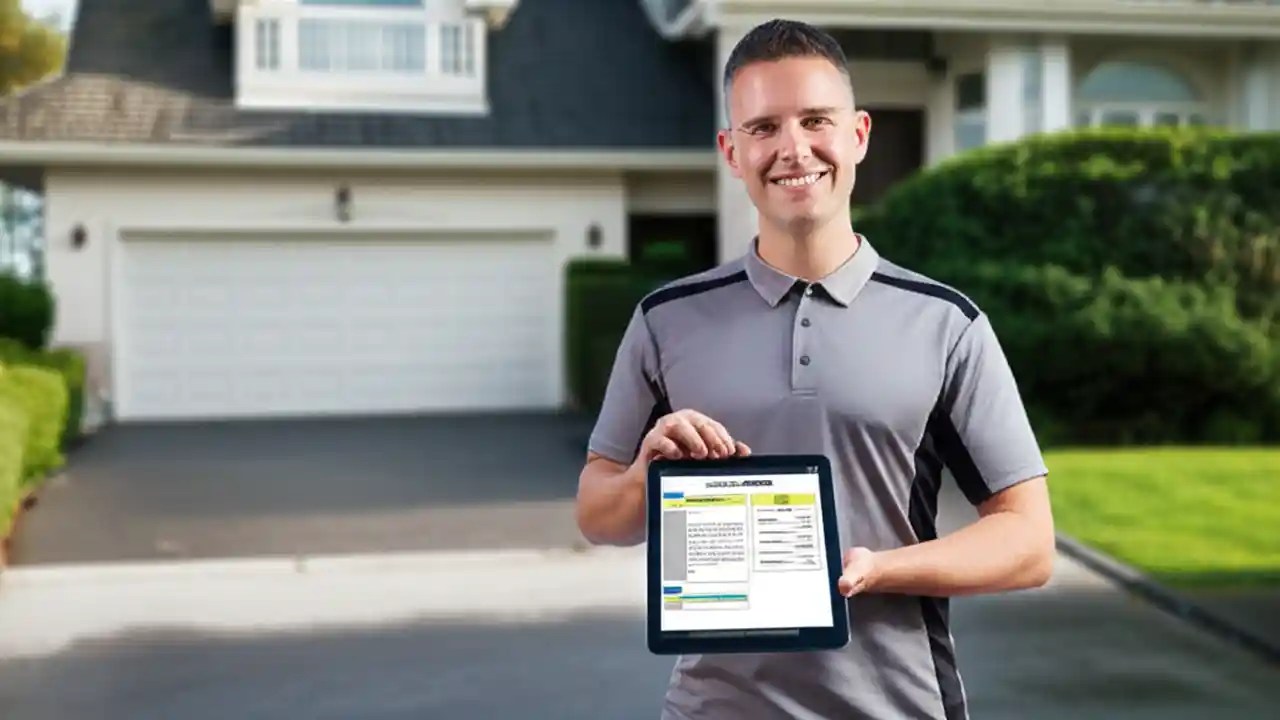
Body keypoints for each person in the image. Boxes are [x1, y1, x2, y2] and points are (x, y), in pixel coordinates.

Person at [575, 18, 1054, 720]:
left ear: (859, 135)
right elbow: (596, 512)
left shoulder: (947, 324)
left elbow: (1029, 542)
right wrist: (647, 478)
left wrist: (883, 568)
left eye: (815, 121)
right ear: (731, 153)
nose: (792, 148)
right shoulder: (665, 321)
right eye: (763, 127)